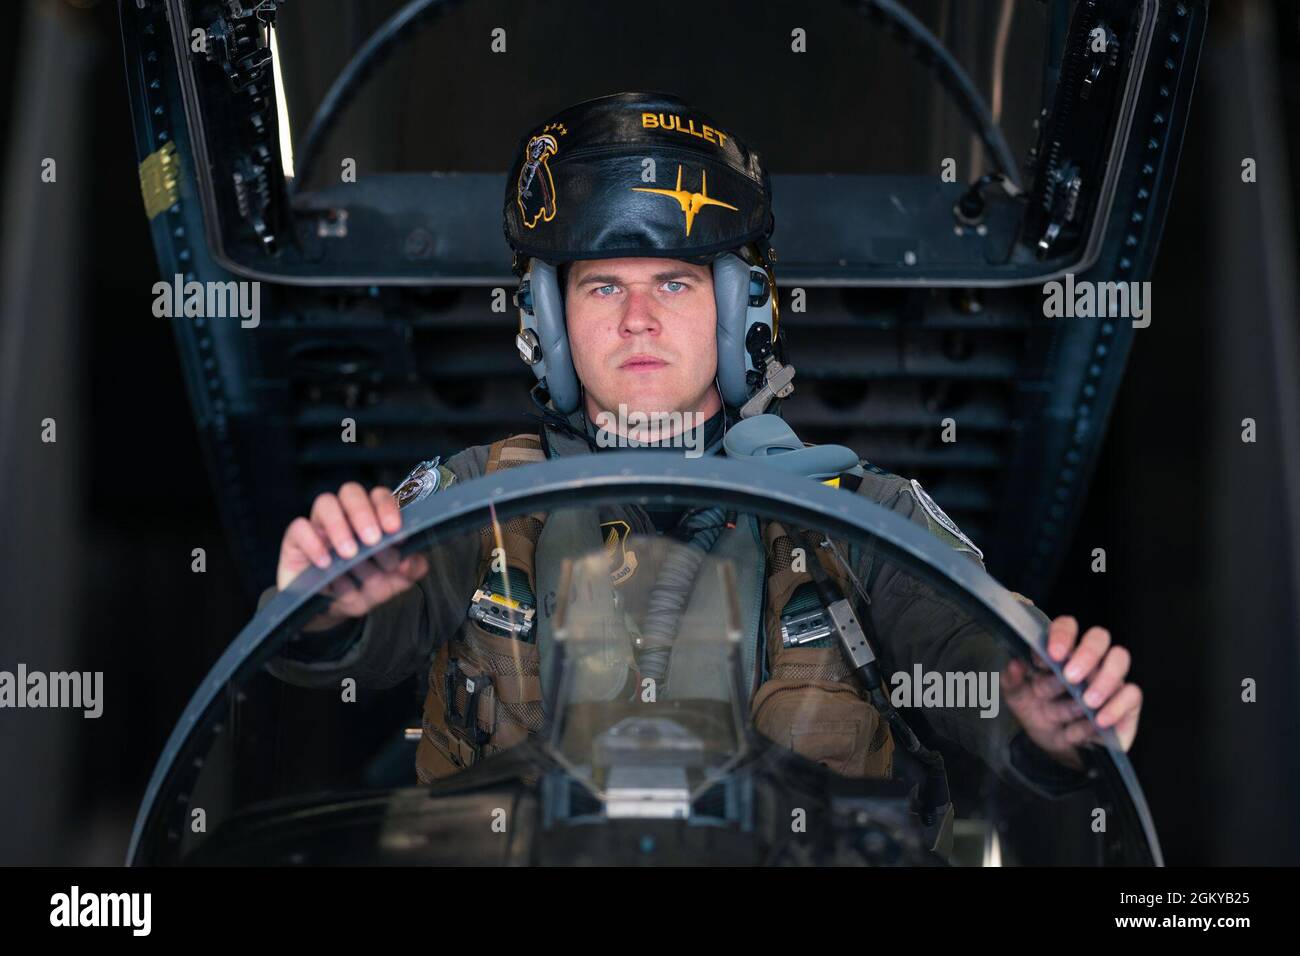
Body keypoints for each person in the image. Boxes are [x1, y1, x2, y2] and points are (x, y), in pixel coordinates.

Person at [262, 92, 1141, 804]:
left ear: (737, 310)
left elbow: (968, 653)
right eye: (602, 284)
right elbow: (364, 632)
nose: (637, 319)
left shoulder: (855, 511)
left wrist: (1036, 711)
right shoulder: (476, 499)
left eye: (674, 283)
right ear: (549, 319)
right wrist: (329, 600)